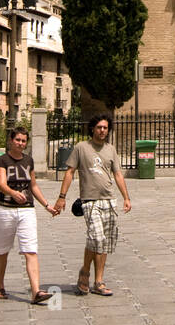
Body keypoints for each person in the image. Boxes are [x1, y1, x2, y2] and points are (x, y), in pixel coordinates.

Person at [54, 115, 132, 297]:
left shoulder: (111, 150)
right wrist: (61, 197)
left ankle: (98, 281)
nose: (102, 130)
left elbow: (118, 175)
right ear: (92, 129)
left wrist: (126, 198)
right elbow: (70, 172)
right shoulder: (81, 148)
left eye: (105, 127)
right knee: (96, 238)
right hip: (89, 201)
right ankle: (85, 272)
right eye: (99, 127)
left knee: (103, 242)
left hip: (109, 201)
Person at [0, 125, 60, 303]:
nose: (21, 143)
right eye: (18, 140)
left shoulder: (28, 161)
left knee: (31, 250)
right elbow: (1, 183)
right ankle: (0, 286)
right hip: (5, 210)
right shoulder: (3, 160)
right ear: (11, 141)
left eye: (23, 141)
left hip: (27, 210)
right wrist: (13, 193)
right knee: (2, 251)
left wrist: (47, 205)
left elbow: (33, 186)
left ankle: (36, 291)